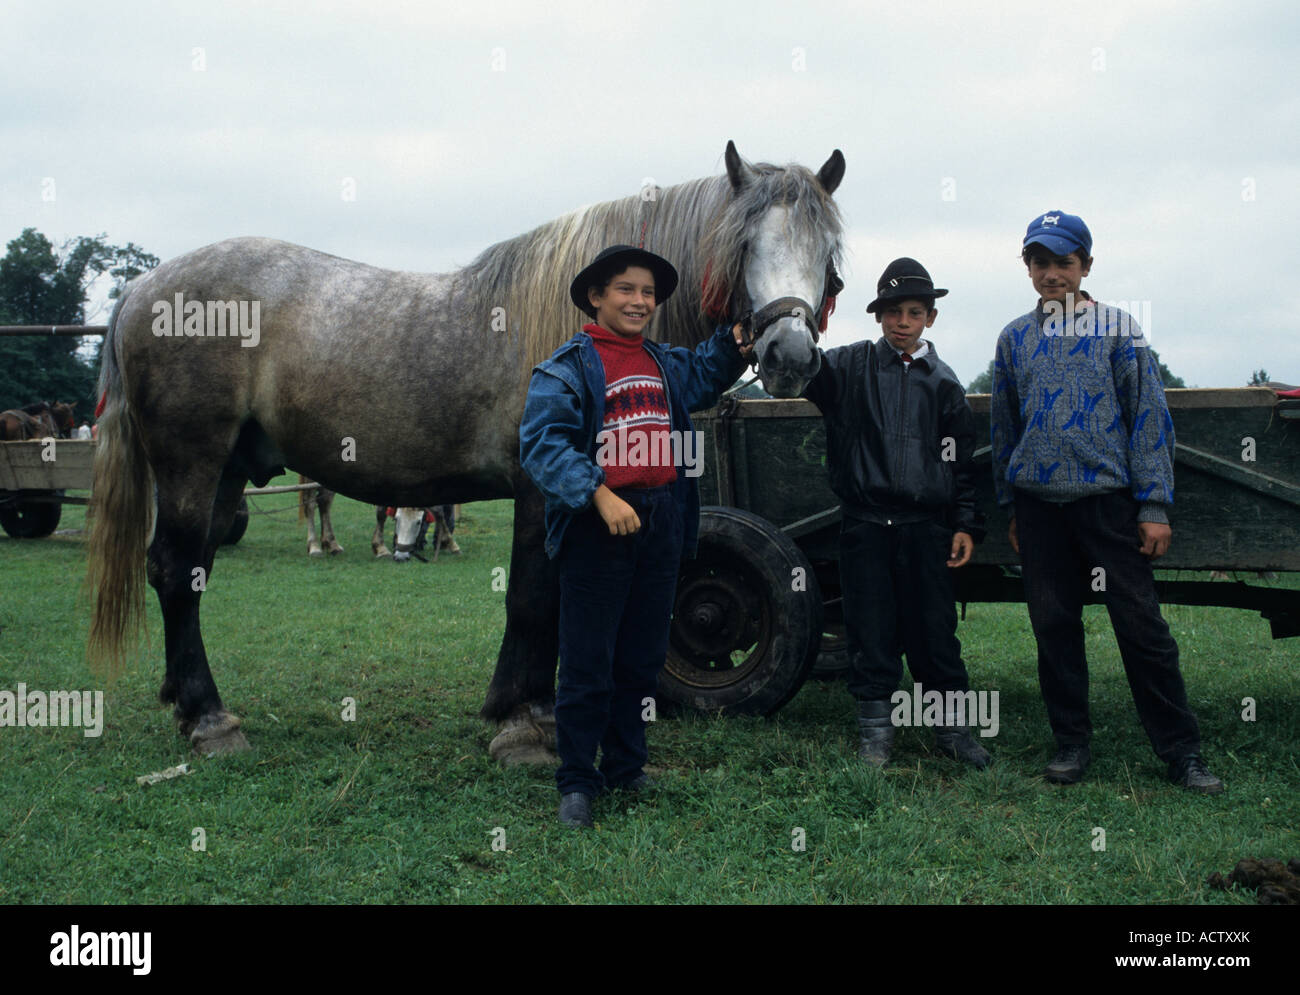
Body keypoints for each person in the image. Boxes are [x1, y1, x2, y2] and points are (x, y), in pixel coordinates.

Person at [990, 210, 1223, 793]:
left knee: (1141, 628)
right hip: (1041, 509)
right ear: (1027, 268)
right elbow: (1004, 427)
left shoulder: (1120, 330)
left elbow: (1149, 418)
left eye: (1062, 263)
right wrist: (1011, 506)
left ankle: (1181, 752)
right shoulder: (1014, 338)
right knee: (1053, 626)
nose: (1050, 274)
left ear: (1086, 265)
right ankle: (1071, 743)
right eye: (1038, 263)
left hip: (1108, 505)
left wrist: (1152, 505)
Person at [519, 244, 750, 828]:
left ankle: (626, 767)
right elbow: (542, 444)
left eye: (648, 292)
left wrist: (738, 336)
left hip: (662, 521)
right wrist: (598, 493)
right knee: (587, 658)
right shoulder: (566, 368)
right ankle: (576, 780)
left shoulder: (665, 364)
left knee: (642, 657)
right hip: (599, 526)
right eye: (626, 289)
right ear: (596, 297)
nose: (639, 301)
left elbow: (706, 373)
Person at [802, 257, 989, 769]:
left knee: (935, 632)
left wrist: (964, 523)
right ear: (877, 315)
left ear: (930, 317)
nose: (901, 322)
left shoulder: (944, 383)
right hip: (865, 525)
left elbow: (961, 463)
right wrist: (804, 310)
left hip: (924, 529)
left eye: (913, 312)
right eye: (891, 312)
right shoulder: (848, 366)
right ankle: (876, 738)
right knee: (870, 630)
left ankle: (952, 733)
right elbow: (800, 365)